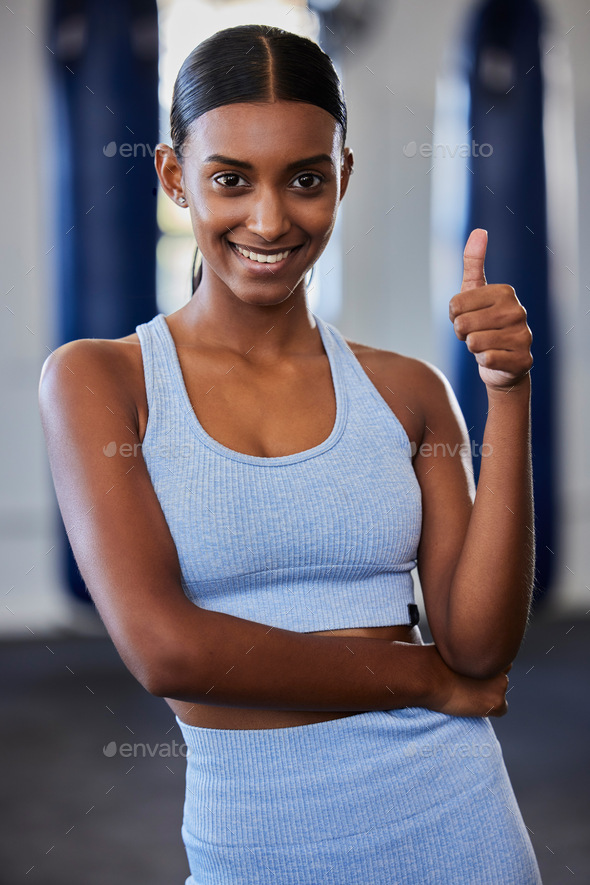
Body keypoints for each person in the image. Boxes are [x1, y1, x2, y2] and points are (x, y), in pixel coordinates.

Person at [38, 23, 543, 885]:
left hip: (458, 824)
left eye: (305, 179)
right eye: (230, 180)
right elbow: (169, 651)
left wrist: (509, 394)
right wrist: (420, 679)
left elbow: (478, 651)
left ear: (341, 177)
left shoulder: (410, 390)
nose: (269, 221)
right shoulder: (100, 381)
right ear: (173, 176)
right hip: (256, 847)